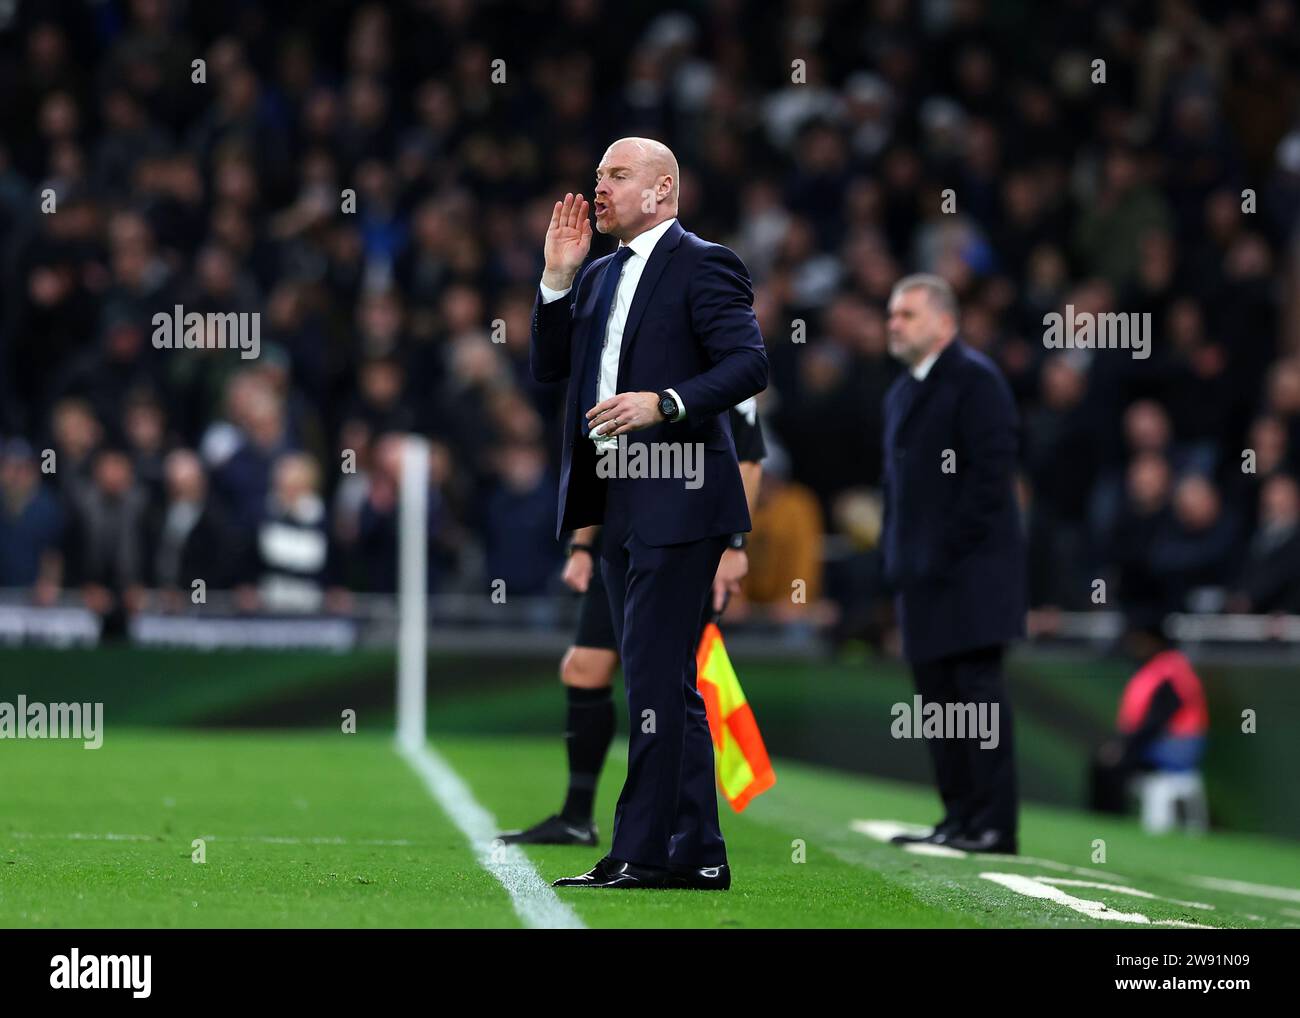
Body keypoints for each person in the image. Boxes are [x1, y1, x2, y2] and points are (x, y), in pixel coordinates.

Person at [529, 137, 767, 889]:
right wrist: (556, 281)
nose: (598, 187)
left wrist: (665, 403)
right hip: (619, 495)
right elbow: (549, 368)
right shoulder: (598, 274)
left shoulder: (706, 263)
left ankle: (639, 852)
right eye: (596, 174)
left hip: (683, 490)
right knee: (663, 682)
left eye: (617, 175)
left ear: (663, 192)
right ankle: (697, 854)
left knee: (658, 682)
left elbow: (749, 363)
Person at [497, 402, 765, 847]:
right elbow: (601, 455)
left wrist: (735, 545)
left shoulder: (717, 367)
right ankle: (577, 816)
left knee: (668, 683)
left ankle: (682, 828)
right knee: (584, 668)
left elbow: (749, 459)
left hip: (683, 533)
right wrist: (583, 545)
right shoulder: (617, 356)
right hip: (621, 537)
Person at [880, 274, 1026, 855]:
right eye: (892, 314)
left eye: (908, 314)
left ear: (945, 322)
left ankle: (994, 825)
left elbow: (990, 482)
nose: (894, 323)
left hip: (972, 576)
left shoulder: (976, 381)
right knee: (939, 706)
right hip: (921, 579)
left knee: (977, 699)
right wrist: (898, 560)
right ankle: (959, 818)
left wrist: (939, 553)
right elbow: (896, 492)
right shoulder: (901, 391)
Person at [1089, 620, 1208, 814]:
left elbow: (1156, 722)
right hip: (1160, 744)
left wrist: (1125, 747)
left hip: (1174, 749)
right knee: (1103, 762)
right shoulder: (1155, 668)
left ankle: (1110, 822)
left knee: (1112, 766)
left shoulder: (1170, 671)